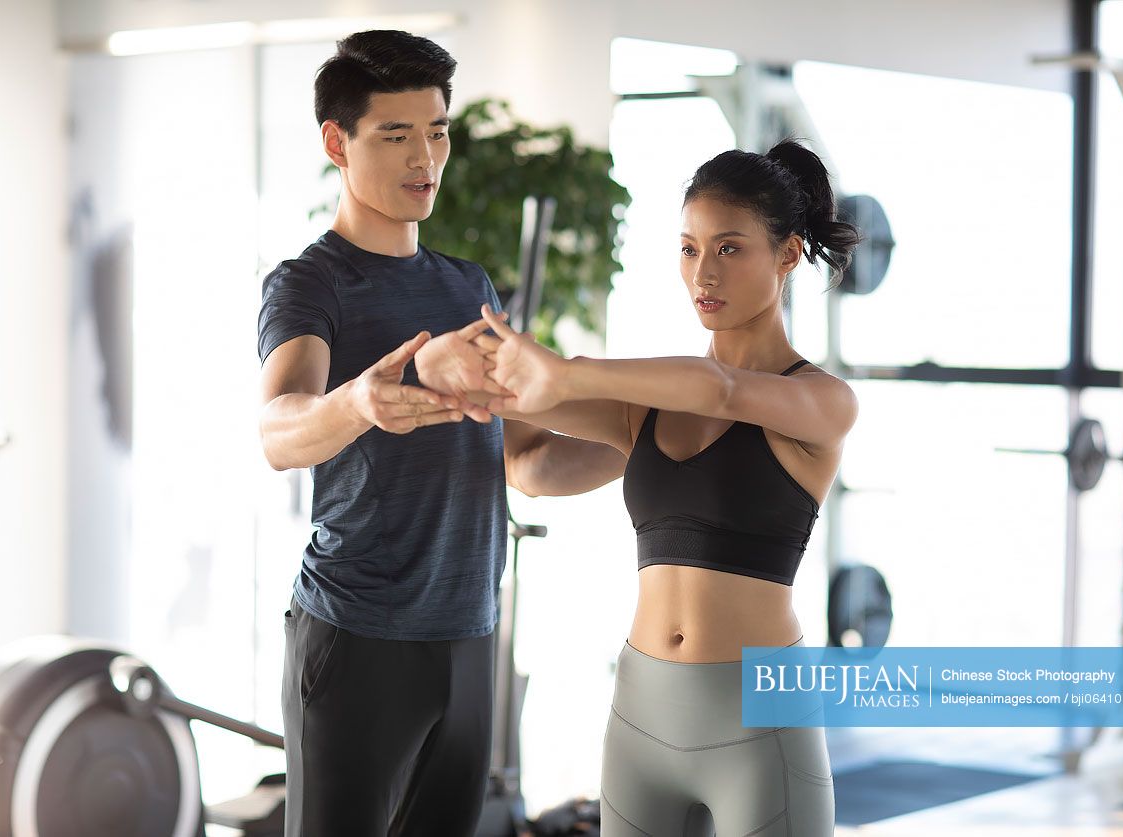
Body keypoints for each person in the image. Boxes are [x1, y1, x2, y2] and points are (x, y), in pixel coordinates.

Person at [255, 29, 625, 837]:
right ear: (336, 142)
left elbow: (526, 460)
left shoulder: (468, 286)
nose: (424, 156)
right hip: (356, 639)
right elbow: (280, 429)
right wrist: (363, 401)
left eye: (437, 130)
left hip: (466, 638)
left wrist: (648, 445)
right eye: (395, 135)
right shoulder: (311, 284)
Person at [474, 140, 861, 836]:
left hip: (759, 720)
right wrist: (479, 374)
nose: (702, 272)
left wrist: (565, 372)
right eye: (688, 248)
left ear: (786, 254)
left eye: (729, 248)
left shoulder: (822, 402)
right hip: (640, 714)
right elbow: (530, 466)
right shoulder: (645, 405)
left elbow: (717, 389)